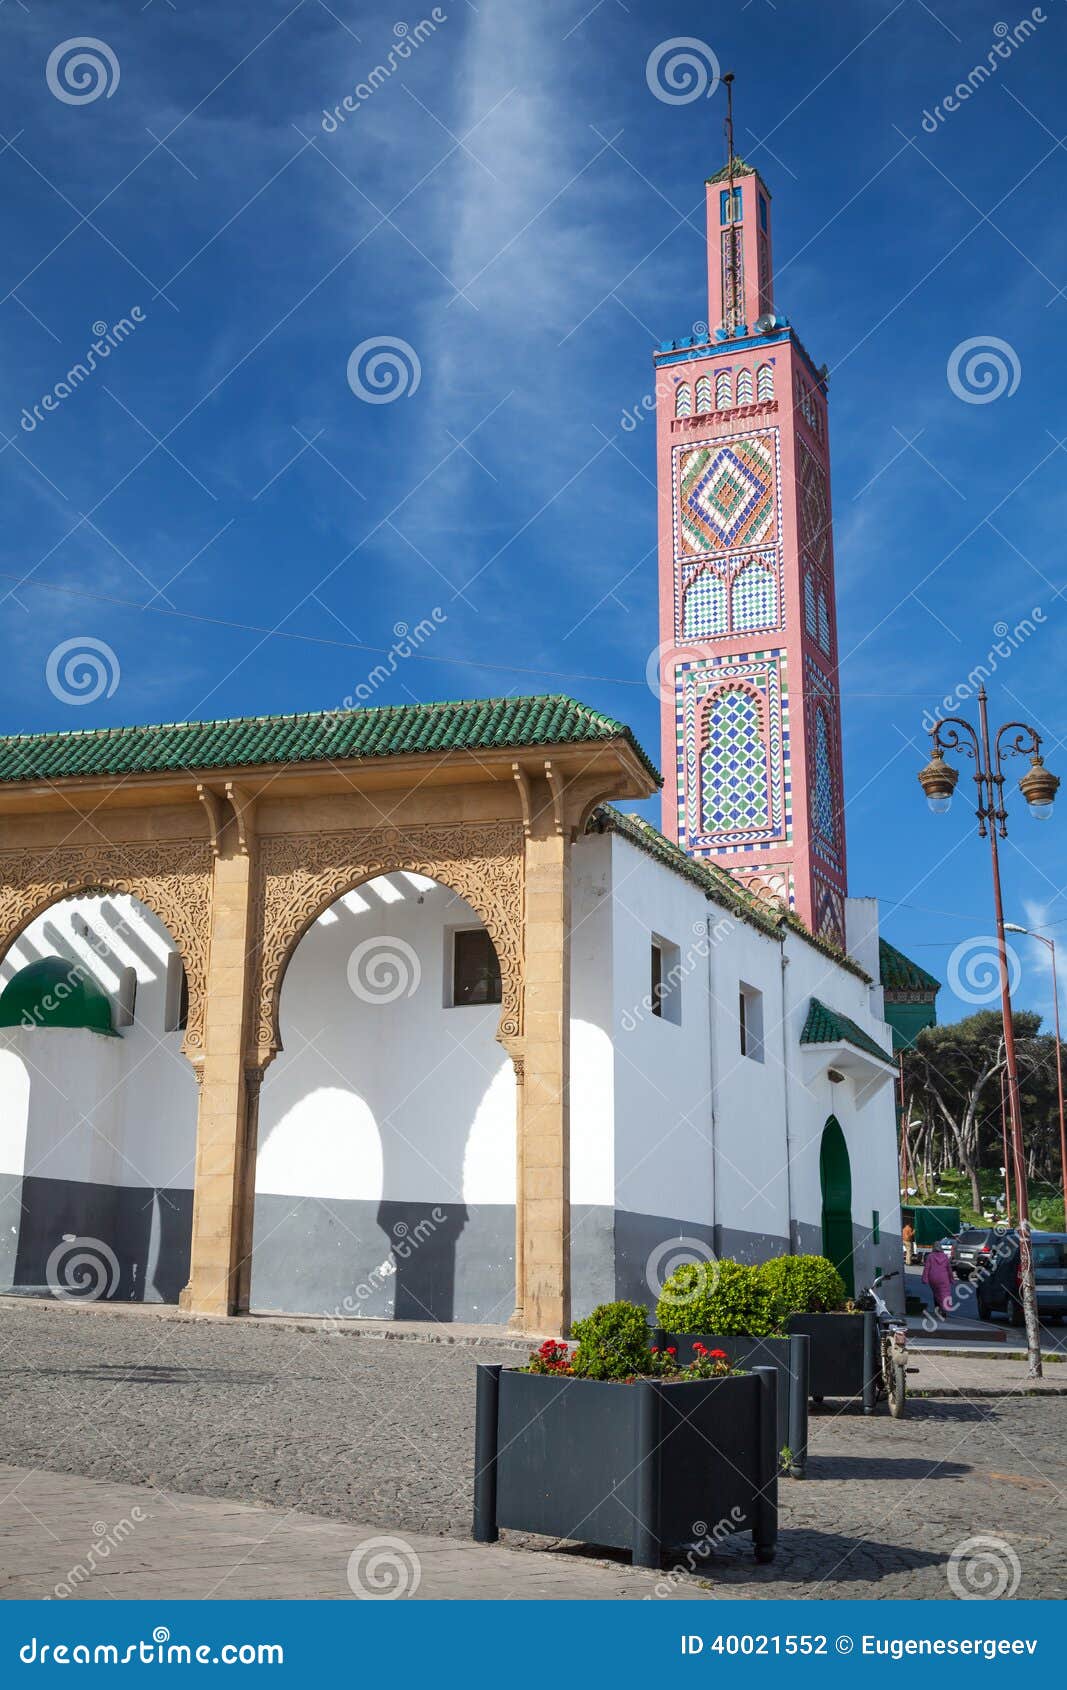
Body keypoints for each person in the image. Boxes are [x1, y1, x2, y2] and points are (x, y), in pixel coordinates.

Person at [921, 1240, 955, 1320]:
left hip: (933, 1278)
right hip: (944, 1278)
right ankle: (944, 1309)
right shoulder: (945, 1256)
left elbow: (927, 1268)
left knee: (936, 1294)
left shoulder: (930, 1256)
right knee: (945, 1293)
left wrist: (924, 1278)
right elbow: (949, 1269)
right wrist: (951, 1279)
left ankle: (938, 1309)